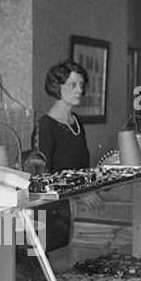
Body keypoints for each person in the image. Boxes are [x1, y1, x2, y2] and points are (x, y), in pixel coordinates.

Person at [35, 60, 96, 252]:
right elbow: (43, 178)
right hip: (53, 212)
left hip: (75, 207)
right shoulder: (46, 126)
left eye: (81, 85)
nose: (79, 90)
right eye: (73, 85)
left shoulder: (76, 121)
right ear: (57, 87)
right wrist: (78, 193)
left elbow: (81, 166)